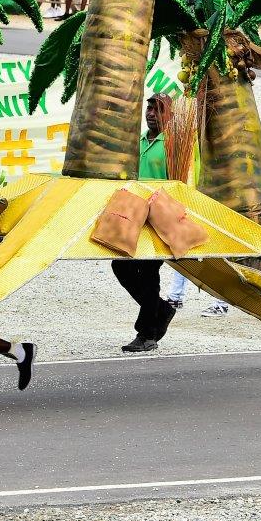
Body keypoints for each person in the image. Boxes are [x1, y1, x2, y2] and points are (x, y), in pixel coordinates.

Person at [112, 94, 178, 353]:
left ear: (170, 116)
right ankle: (161, 310)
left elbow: (181, 184)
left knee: (149, 273)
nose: (151, 113)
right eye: (149, 108)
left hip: (160, 219)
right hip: (135, 217)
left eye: (158, 110)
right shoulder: (137, 141)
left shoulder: (173, 144)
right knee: (121, 266)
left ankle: (147, 334)